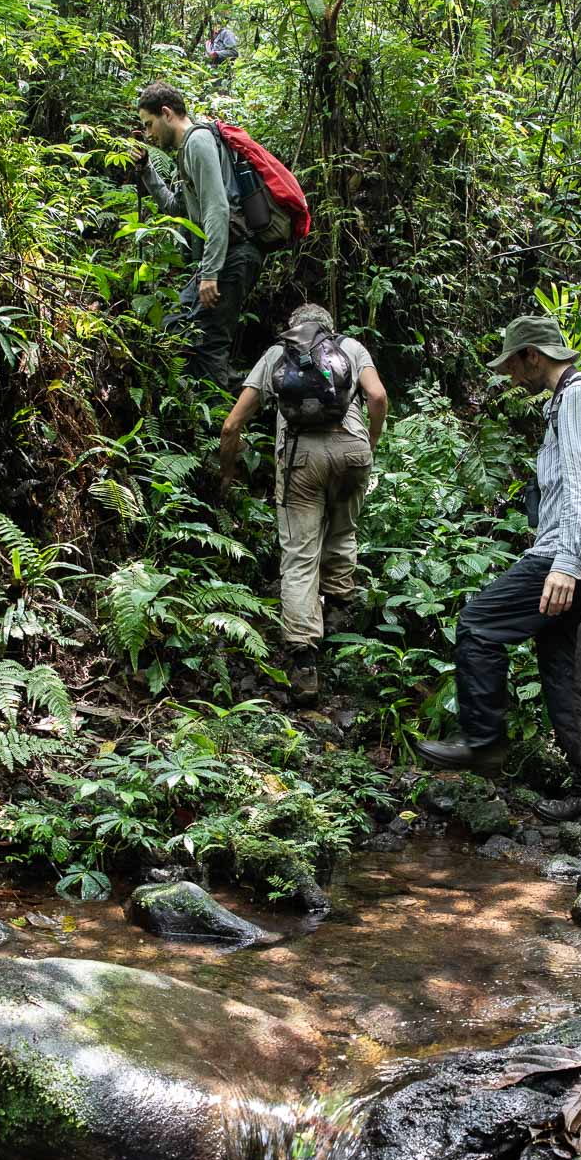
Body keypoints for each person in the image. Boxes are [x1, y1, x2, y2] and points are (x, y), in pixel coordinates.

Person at [417, 314, 581, 823]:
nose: (511, 376)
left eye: (512, 363)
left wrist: (566, 565)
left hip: (573, 554)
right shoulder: (573, 399)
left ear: (533, 355)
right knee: (566, 672)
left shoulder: (576, 397)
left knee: (479, 623)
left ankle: (484, 743)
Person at [219, 303, 388, 703]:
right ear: (329, 328)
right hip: (352, 452)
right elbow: (377, 395)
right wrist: (371, 443)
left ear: (293, 329)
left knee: (299, 556)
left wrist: (227, 472)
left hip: (301, 459)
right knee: (344, 528)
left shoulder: (277, 354)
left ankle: (304, 662)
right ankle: (340, 617)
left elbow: (231, 424)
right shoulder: (351, 347)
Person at [134, 82, 261, 388]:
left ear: (166, 113)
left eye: (149, 125)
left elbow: (217, 210)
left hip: (233, 252)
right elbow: (179, 209)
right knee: (175, 325)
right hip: (223, 255)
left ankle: (220, 427)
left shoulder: (198, 142)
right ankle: (204, 410)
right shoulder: (186, 150)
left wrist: (210, 273)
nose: (149, 134)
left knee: (210, 343)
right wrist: (146, 169)